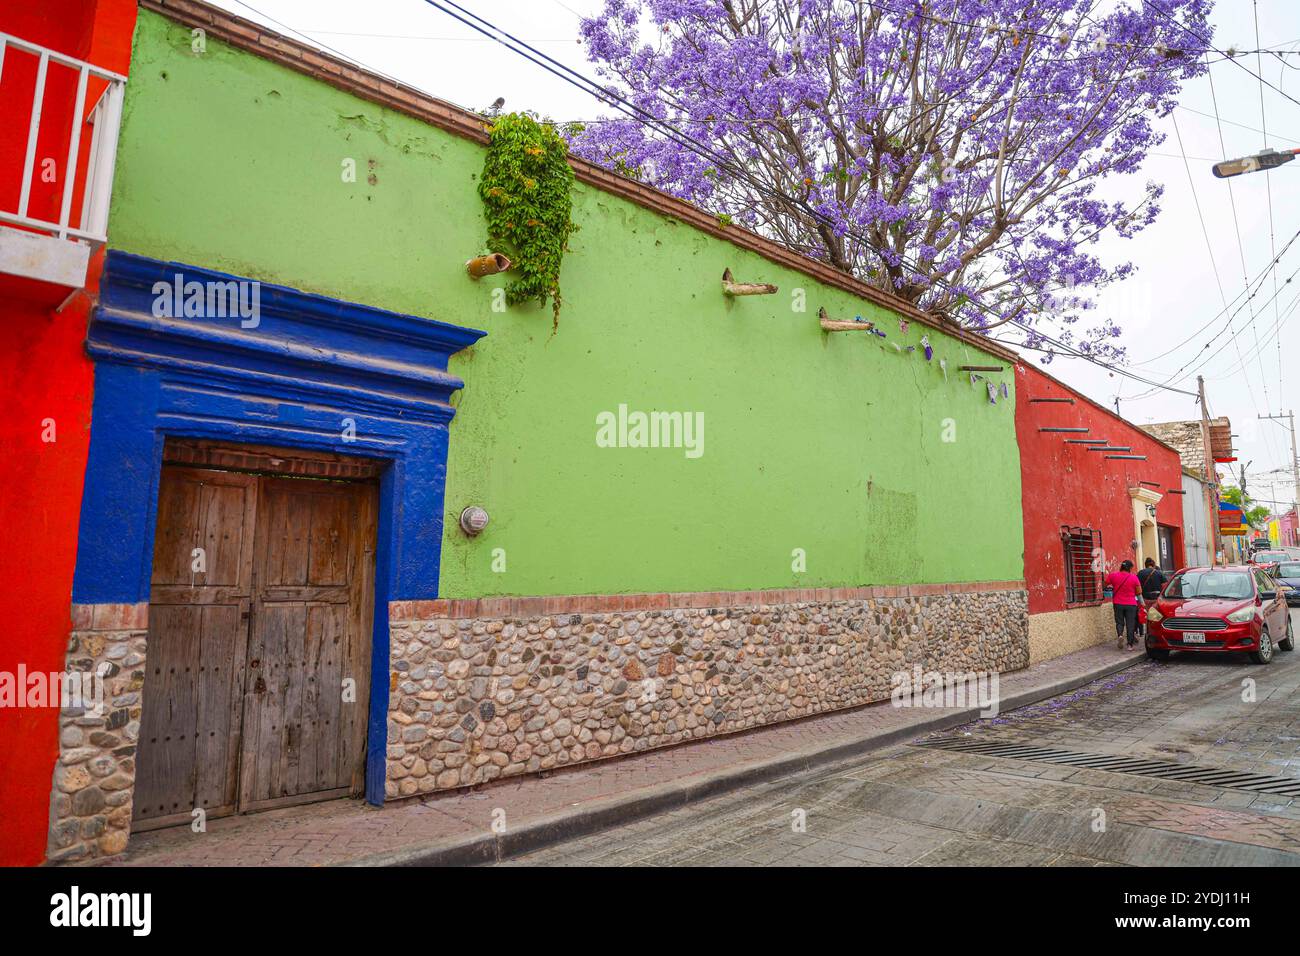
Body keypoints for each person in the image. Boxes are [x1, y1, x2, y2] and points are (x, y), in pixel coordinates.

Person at [1105, 560, 1142, 650]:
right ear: (1129, 568)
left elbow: (1105, 584)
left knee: (1119, 622)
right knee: (1130, 624)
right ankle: (1129, 645)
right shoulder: (1134, 578)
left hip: (1118, 603)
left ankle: (1120, 635)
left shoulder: (1113, 576)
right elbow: (1139, 592)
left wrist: (1112, 587)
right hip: (1131, 604)